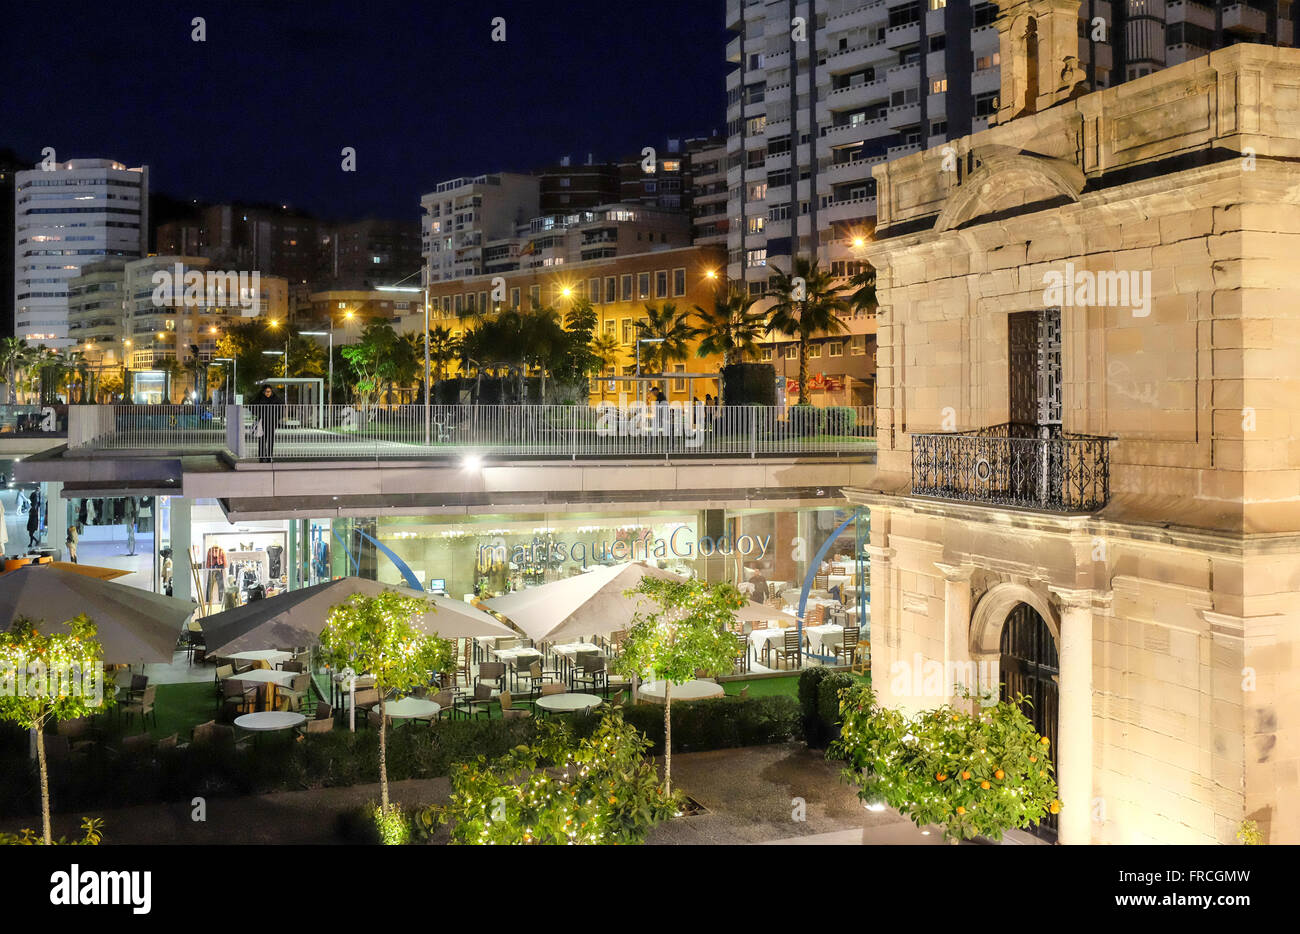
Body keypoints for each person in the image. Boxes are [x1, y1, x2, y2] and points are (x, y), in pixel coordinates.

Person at [252, 384, 284, 462]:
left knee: (270, 439)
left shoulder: (275, 398)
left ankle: (269, 456)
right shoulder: (260, 398)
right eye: (266, 391)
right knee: (262, 439)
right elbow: (252, 406)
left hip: (272, 421)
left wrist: (277, 417)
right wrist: (258, 414)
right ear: (263, 392)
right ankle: (262, 456)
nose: (268, 393)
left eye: (269, 391)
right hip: (262, 421)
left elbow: (281, 407)